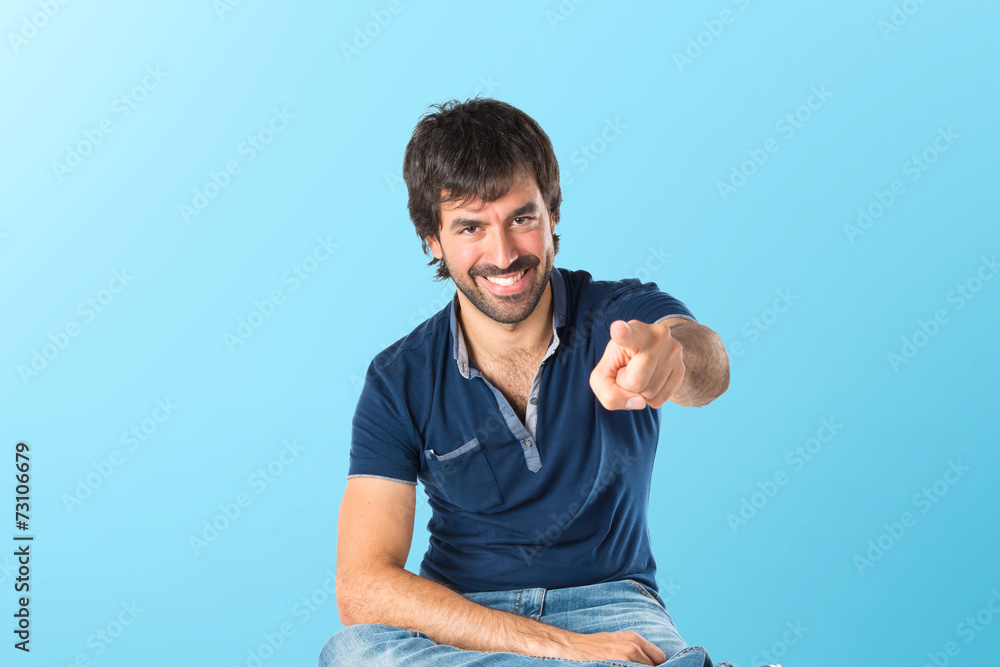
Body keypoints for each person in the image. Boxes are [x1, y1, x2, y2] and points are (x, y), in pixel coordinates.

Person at [320, 98, 776, 667]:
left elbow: (708, 367)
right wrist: (565, 650)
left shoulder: (619, 313)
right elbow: (362, 585)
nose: (503, 254)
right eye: (470, 227)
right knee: (354, 652)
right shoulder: (398, 378)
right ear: (433, 240)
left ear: (552, 215)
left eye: (522, 218)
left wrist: (670, 355)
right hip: (466, 621)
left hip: (612, 606)